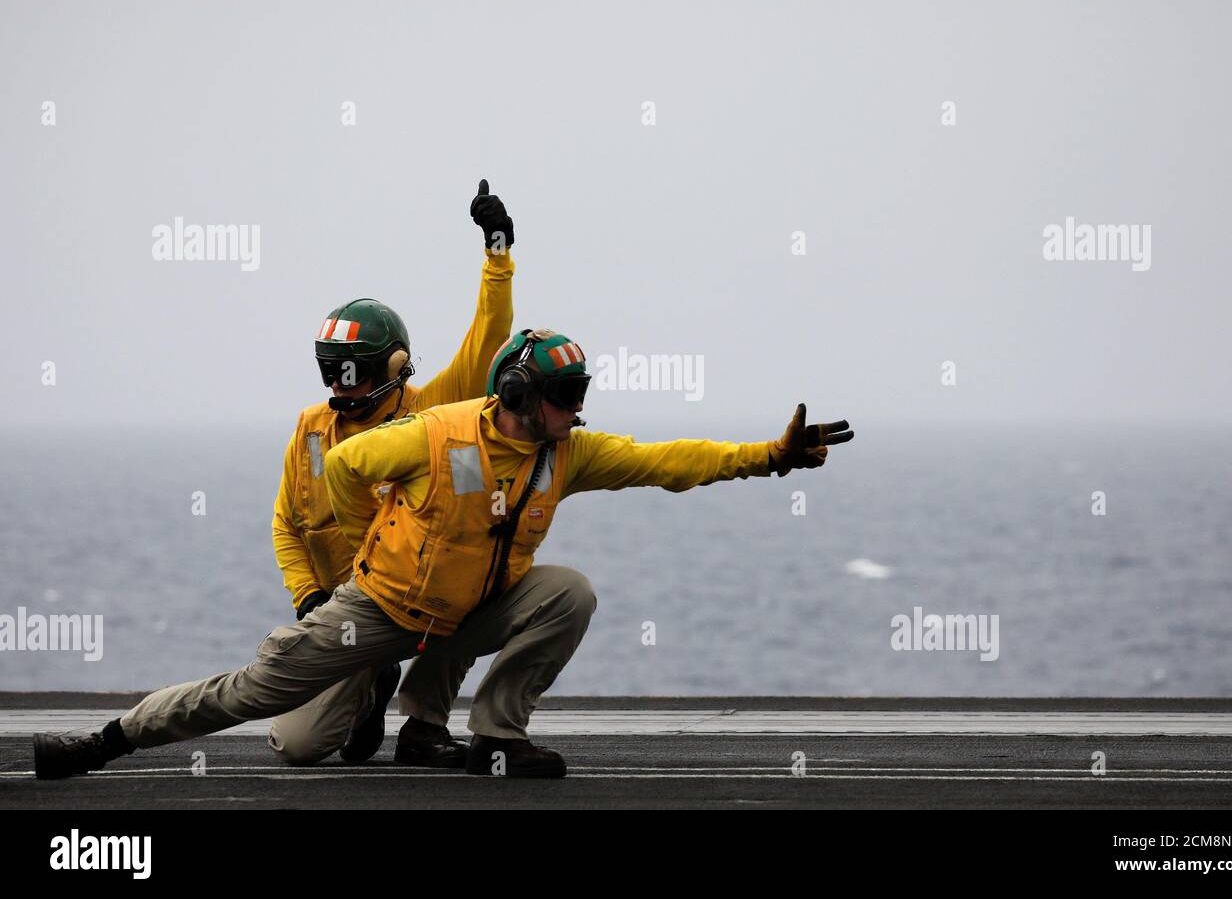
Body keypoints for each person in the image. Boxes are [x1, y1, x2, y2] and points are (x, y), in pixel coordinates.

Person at [33, 329, 852, 780]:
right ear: (520, 398)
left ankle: (487, 735)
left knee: (568, 594)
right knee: (269, 716)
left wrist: (771, 456)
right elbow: (350, 468)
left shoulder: (568, 452)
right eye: (567, 399)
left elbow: (672, 462)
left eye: (581, 396)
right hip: (380, 612)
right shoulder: (439, 433)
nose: (579, 411)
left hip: (463, 614)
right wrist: (363, 552)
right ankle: (108, 739)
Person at [269, 179, 517, 768]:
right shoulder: (309, 431)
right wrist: (308, 598)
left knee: (478, 590)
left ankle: (425, 720)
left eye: (348, 372)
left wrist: (497, 254)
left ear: (393, 367)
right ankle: (370, 688)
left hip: (425, 601)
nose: (336, 386)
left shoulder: (434, 413)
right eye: (328, 371)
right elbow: (287, 524)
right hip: (347, 611)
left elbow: (487, 339)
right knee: (299, 746)